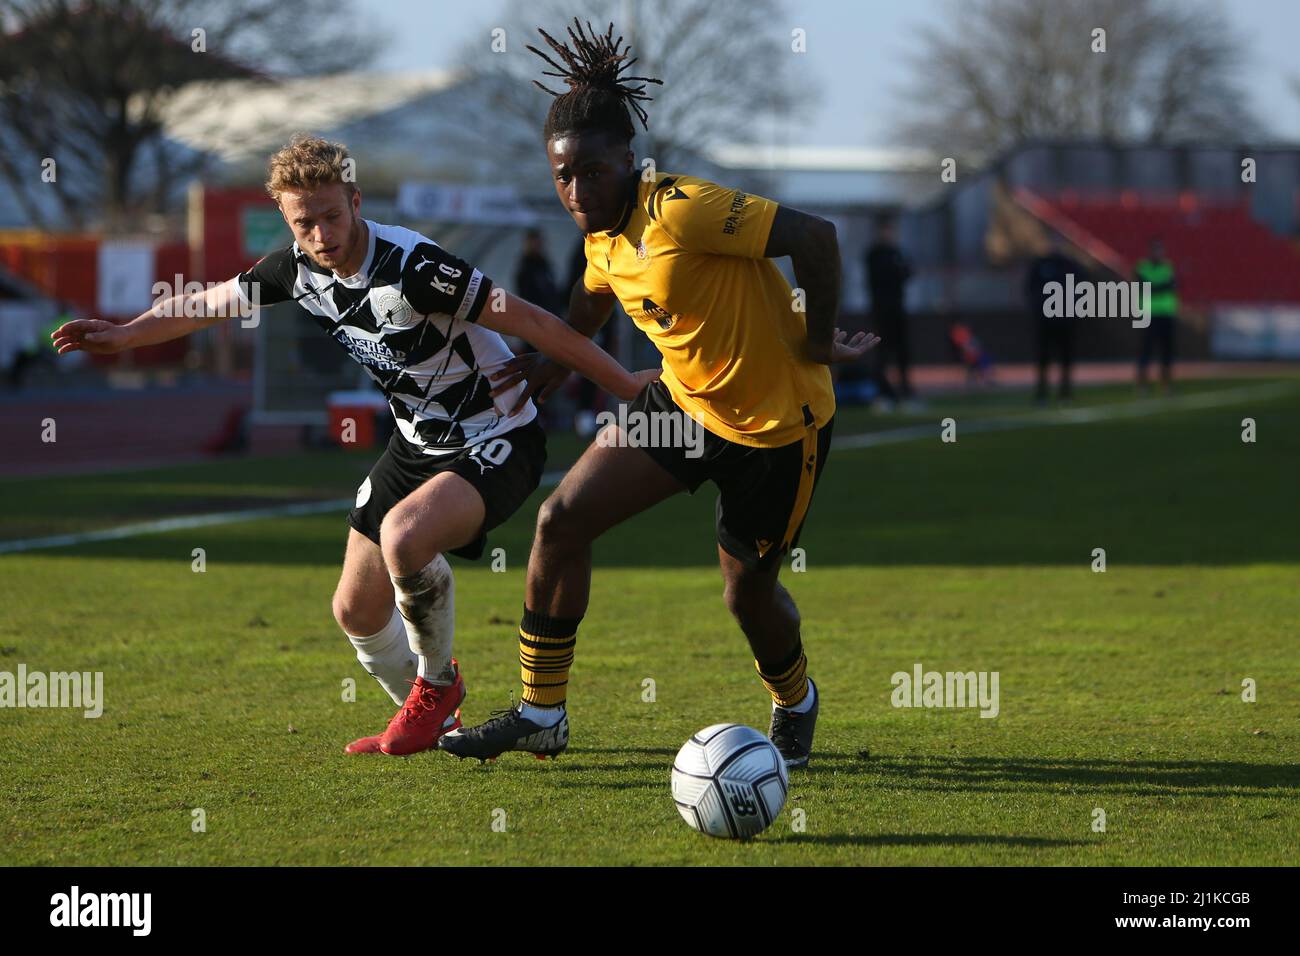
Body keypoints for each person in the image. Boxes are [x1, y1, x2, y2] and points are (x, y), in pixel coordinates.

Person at [51, 134, 655, 758]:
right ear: (287, 222)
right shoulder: (293, 268)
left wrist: (623, 382)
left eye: (331, 216)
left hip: (496, 434)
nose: (319, 234)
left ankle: (438, 687)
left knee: (405, 536)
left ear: (357, 202)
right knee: (355, 611)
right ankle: (438, 726)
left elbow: (534, 322)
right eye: (303, 222)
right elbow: (206, 305)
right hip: (415, 441)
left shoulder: (418, 270)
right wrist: (123, 337)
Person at [439, 21, 879, 770]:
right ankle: (543, 712)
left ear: (628, 161)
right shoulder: (601, 239)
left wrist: (814, 340)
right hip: (683, 409)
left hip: (778, 430)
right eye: (562, 176)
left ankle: (794, 698)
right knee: (561, 521)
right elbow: (590, 302)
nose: (578, 190)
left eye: (593, 171)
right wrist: (551, 366)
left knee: (746, 598)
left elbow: (817, 236)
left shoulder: (682, 208)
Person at [1024, 239, 1081, 403]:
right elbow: (1030, 287)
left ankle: (1065, 391)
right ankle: (1042, 391)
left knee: (1066, 356)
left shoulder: (1069, 265)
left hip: (1065, 320)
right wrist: (1038, 306)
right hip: (1045, 320)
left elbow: (1081, 286)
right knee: (1043, 356)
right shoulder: (1041, 264)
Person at [865, 215, 913, 404]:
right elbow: (881, 276)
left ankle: (905, 389)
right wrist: (895, 270)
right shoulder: (874, 254)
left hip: (898, 307)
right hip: (881, 309)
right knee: (882, 350)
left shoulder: (897, 251)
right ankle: (883, 392)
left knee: (903, 349)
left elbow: (908, 272)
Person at [1135, 237, 1177, 394]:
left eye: (1160, 250)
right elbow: (1144, 287)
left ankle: (1166, 384)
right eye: (1156, 249)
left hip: (1166, 314)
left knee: (1167, 351)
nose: (1158, 253)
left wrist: (1155, 287)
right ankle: (1142, 384)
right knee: (1146, 351)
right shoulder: (1143, 267)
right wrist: (1161, 287)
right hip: (1148, 314)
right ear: (1150, 251)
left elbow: (1172, 286)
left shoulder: (1168, 267)